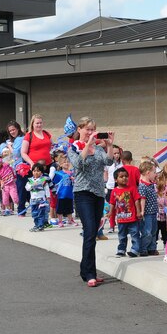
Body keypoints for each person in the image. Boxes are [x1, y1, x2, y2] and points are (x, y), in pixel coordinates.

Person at [67, 116, 114, 287]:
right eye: (87, 129)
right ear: (79, 129)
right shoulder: (73, 148)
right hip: (83, 193)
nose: (90, 132)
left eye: (93, 129)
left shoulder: (98, 148)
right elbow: (79, 164)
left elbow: (109, 161)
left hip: (98, 193)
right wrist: (87, 145)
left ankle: (87, 270)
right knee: (89, 231)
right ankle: (89, 274)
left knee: (93, 233)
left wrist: (109, 145)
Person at [20, 115, 52, 215]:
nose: (39, 125)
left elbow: (50, 146)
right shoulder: (29, 135)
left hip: (47, 165)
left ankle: (48, 209)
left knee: (48, 187)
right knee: (36, 188)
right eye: (37, 123)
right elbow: (23, 152)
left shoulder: (46, 134)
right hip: (35, 168)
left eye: (40, 123)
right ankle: (34, 210)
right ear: (32, 124)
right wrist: (31, 163)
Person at [109, 168, 142, 258]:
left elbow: (136, 200)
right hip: (121, 219)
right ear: (116, 179)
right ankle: (121, 249)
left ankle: (135, 250)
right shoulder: (114, 191)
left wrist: (138, 212)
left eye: (126, 176)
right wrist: (110, 213)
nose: (124, 178)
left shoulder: (132, 188)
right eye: (121, 176)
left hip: (132, 218)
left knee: (135, 234)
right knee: (122, 235)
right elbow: (112, 203)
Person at [137, 160, 160, 256]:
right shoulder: (142, 186)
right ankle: (143, 248)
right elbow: (142, 199)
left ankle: (152, 248)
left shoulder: (151, 184)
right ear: (148, 173)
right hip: (147, 213)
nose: (155, 174)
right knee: (147, 232)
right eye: (154, 172)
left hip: (153, 212)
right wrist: (142, 211)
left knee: (154, 231)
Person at [26, 162, 51, 231]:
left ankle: (40, 226)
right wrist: (32, 186)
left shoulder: (43, 180)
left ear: (41, 172)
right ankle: (36, 225)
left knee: (41, 213)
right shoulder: (30, 180)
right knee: (34, 214)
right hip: (33, 199)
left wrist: (48, 197)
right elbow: (27, 188)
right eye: (34, 171)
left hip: (41, 200)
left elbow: (47, 189)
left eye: (38, 171)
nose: (36, 173)